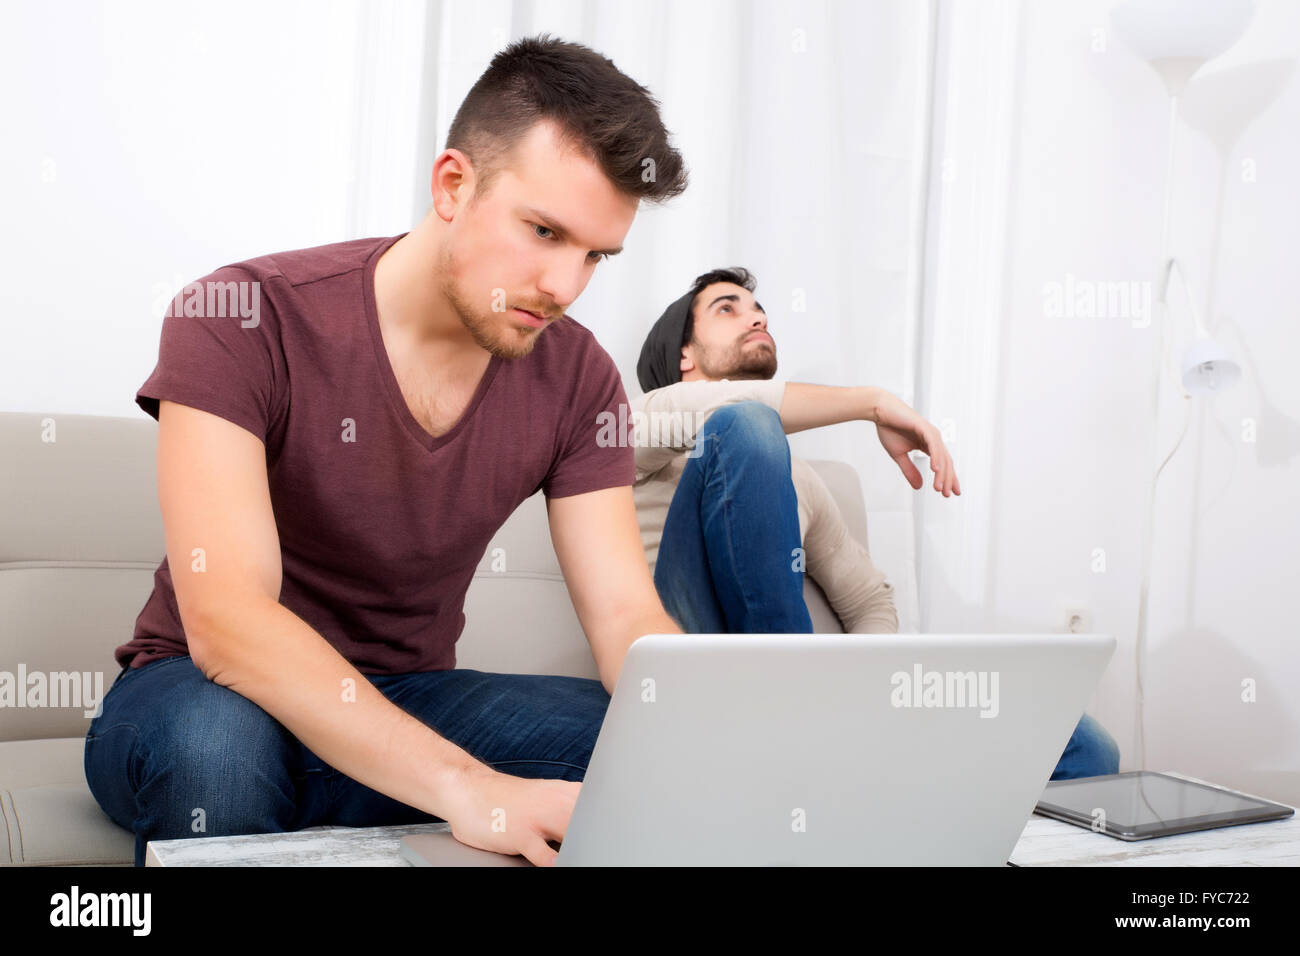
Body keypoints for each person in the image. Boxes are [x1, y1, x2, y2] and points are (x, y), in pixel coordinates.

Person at [85, 34, 688, 868]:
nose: (565, 286)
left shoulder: (580, 377)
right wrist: (465, 787)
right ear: (453, 185)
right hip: (203, 689)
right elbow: (228, 624)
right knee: (217, 751)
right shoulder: (239, 315)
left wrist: (716, 738)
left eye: (594, 255)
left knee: (630, 742)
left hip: (407, 702)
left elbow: (625, 614)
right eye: (543, 231)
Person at [632, 267, 1120, 780]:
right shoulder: (637, 432)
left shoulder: (799, 478)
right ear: (683, 353)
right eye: (727, 308)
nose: (755, 318)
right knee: (743, 426)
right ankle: (787, 716)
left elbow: (869, 599)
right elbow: (719, 413)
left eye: (760, 313)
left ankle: (866, 777)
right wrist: (872, 403)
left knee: (1082, 744)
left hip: (813, 703)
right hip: (693, 671)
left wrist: (862, 686)